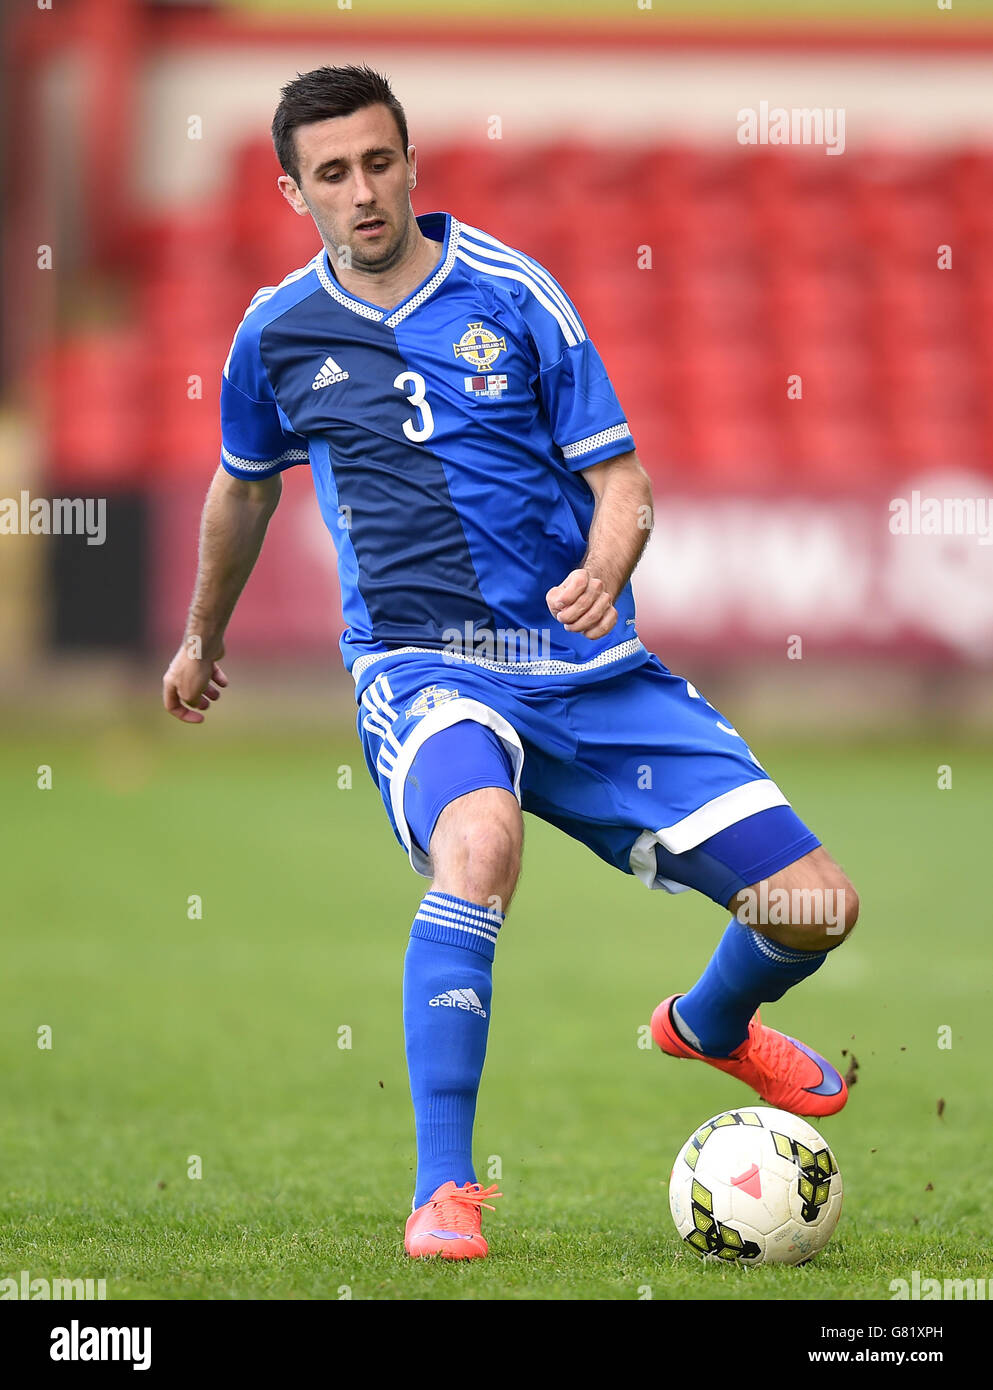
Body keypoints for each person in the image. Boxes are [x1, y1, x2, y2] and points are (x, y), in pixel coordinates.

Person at [162, 64, 859, 1262]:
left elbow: (622, 481)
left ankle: (706, 1022)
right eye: (332, 174)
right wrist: (202, 634)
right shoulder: (277, 333)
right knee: (478, 839)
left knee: (817, 910)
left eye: (380, 162)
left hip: (589, 668)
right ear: (294, 192)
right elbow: (242, 486)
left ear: (412, 163)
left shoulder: (512, 292)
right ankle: (443, 1189)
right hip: (425, 666)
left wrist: (605, 557)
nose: (363, 192)